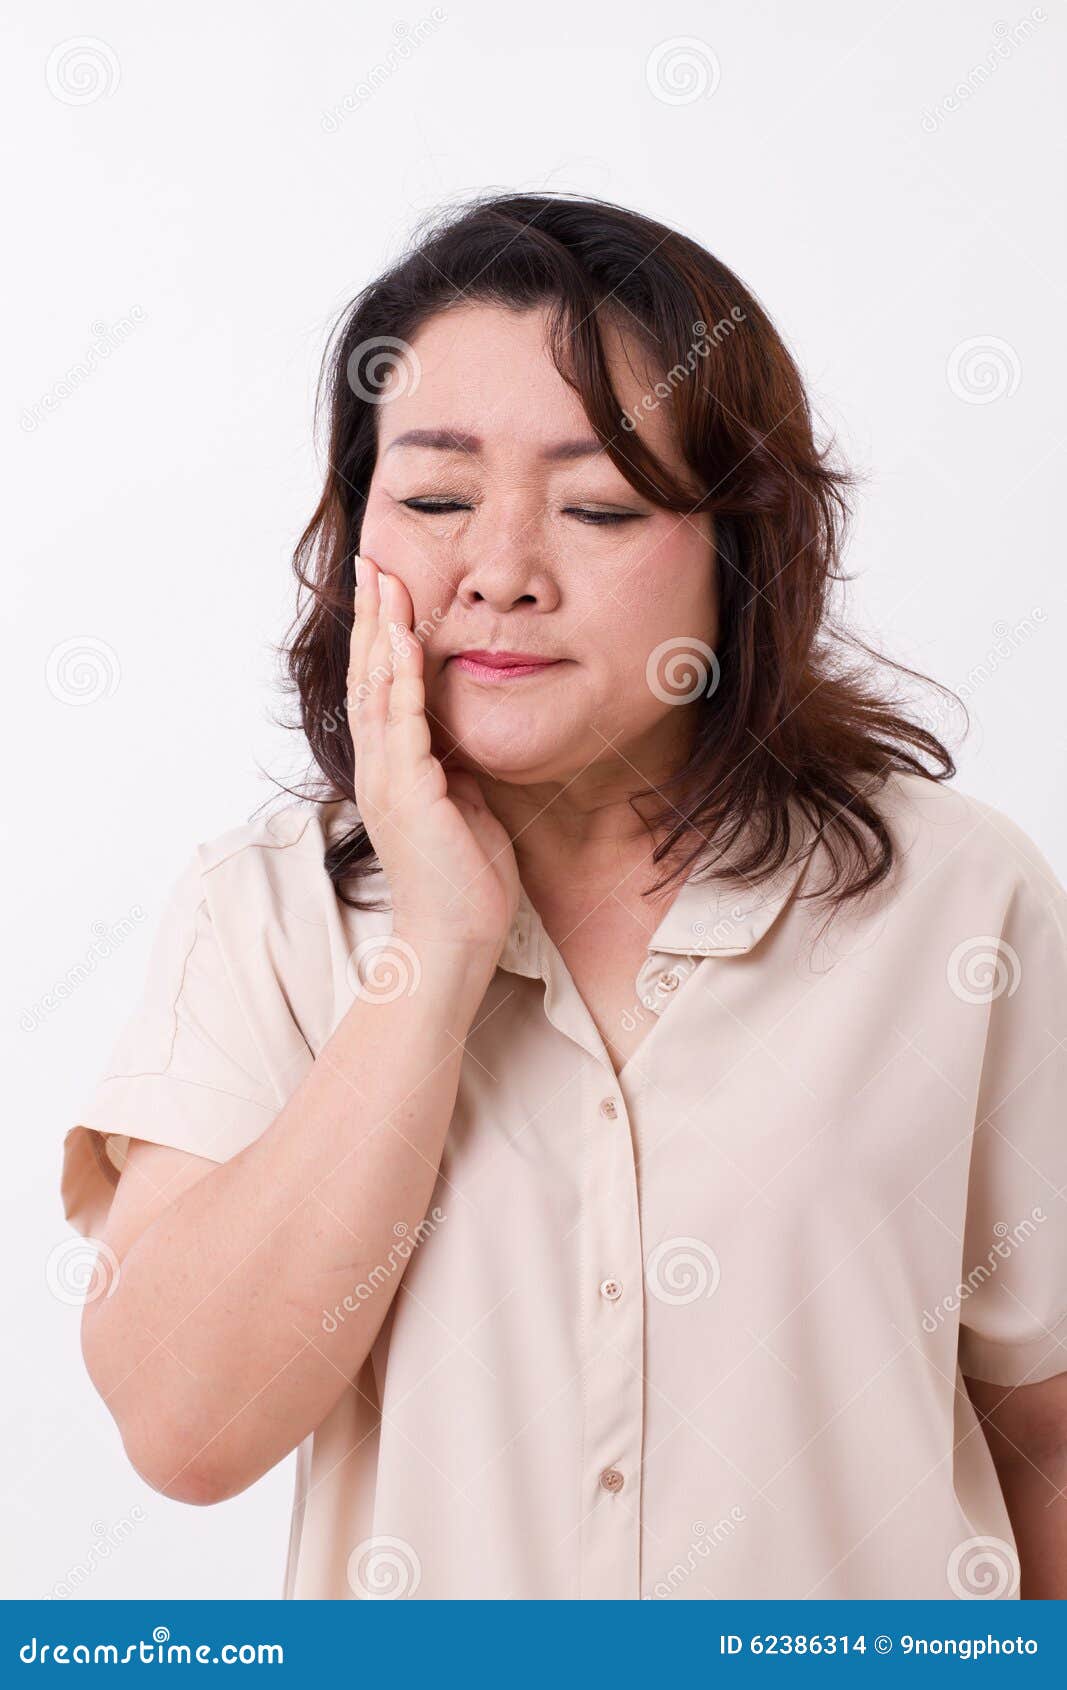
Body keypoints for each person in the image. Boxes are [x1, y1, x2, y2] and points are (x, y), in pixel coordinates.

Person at [61, 192, 1067, 1601]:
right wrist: (438, 948)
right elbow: (188, 1426)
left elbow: (1048, 1438)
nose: (503, 574)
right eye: (432, 498)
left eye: (599, 505)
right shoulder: (267, 914)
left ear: (740, 550)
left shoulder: (962, 903)